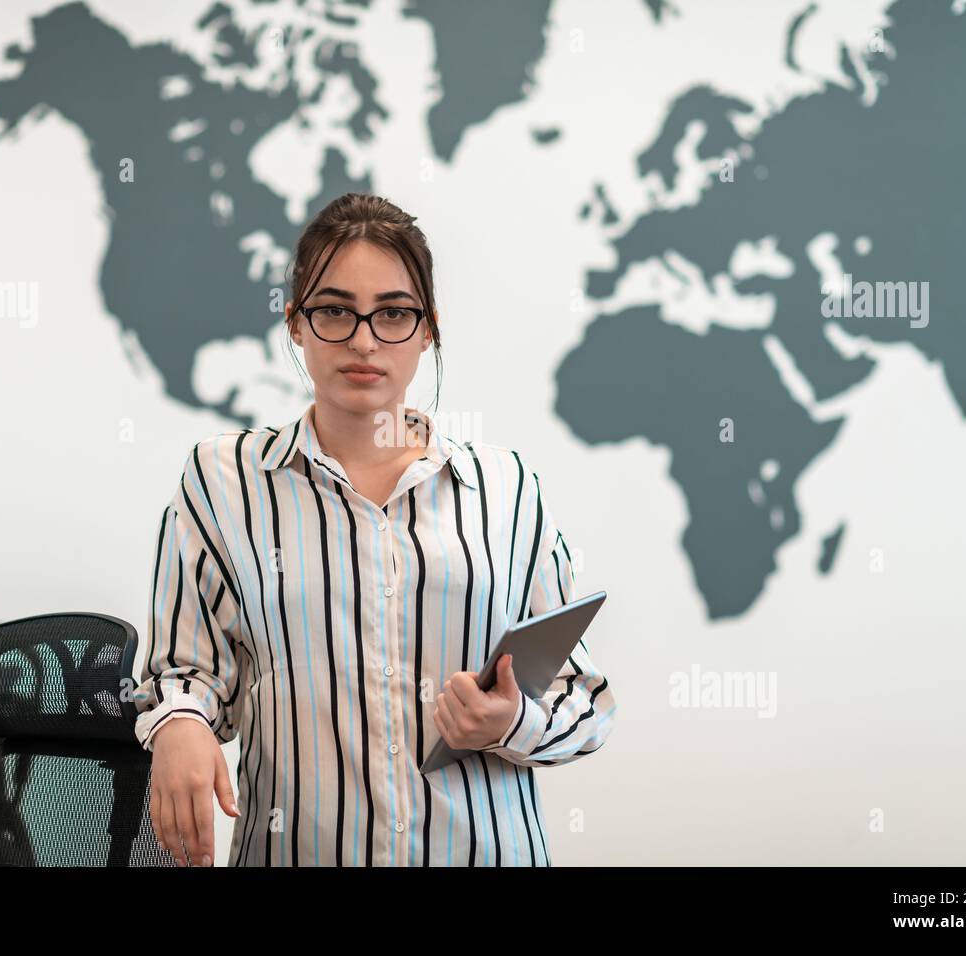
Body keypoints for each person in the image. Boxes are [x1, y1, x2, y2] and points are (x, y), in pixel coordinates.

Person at [133, 192, 615, 866]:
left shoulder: (507, 489)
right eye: (334, 311)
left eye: (393, 313)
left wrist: (512, 721)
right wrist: (179, 724)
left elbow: (584, 703)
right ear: (296, 324)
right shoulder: (224, 481)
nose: (364, 340)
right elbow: (183, 673)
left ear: (429, 330)